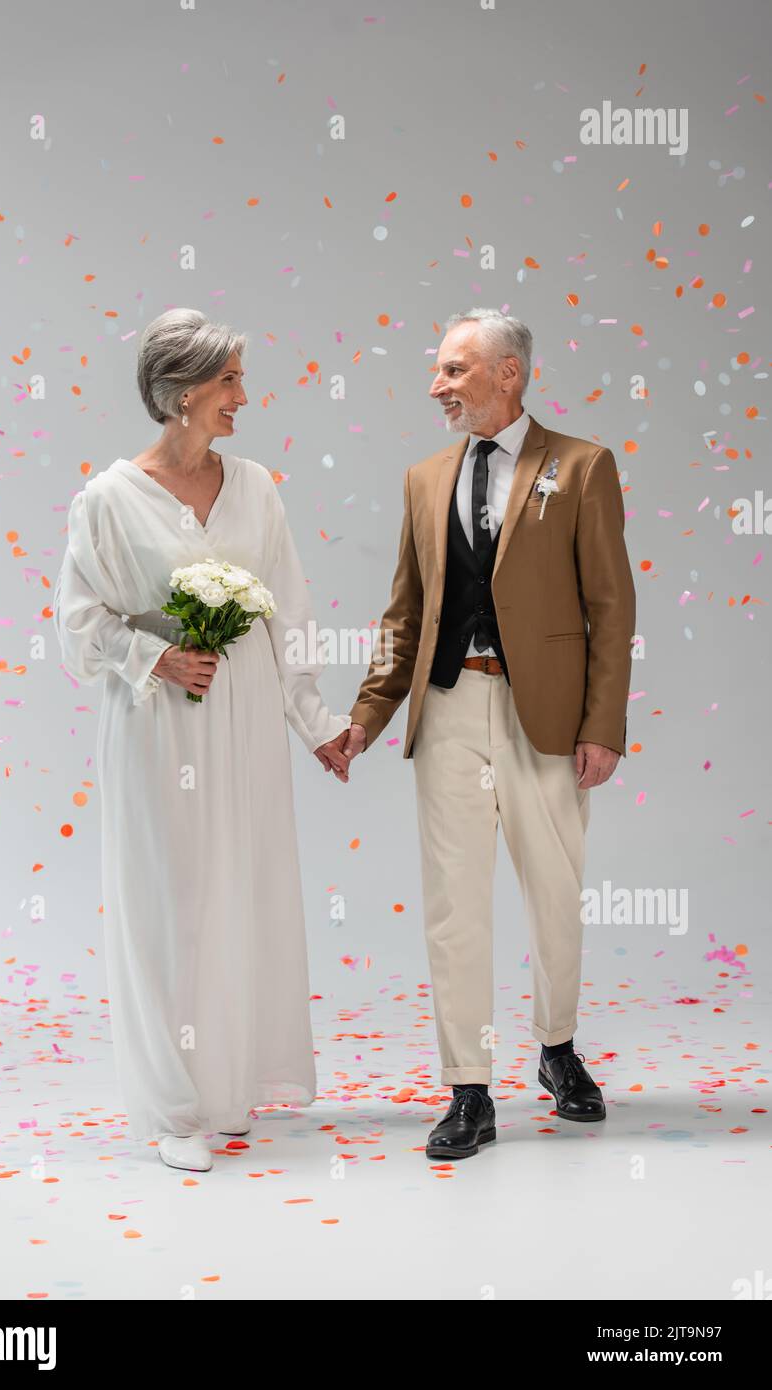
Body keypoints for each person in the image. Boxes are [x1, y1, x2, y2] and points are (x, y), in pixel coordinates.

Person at [319, 308, 636, 1161]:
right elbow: (405, 613)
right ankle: (468, 1091)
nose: (437, 387)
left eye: (454, 370)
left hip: (548, 718)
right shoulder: (424, 477)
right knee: (454, 907)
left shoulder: (581, 465)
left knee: (554, 896)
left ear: (508, 374)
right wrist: (363, 719)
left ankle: (557, 1049)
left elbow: (610, 607)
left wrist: (601, 724)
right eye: (438, 370)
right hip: (450, 708)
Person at [52, 308, 350, 1172]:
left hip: (245, 719)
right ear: (181, 393)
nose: (242, 399)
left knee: (238, 888)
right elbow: (77, 627)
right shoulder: (107, 500)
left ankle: (226, 1087)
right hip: (156, 729)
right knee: (167, 901)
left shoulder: (256, 487)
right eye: (228, 382)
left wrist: (317, 728)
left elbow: (289, 615)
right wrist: (156, 656)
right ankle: (174, 1105)